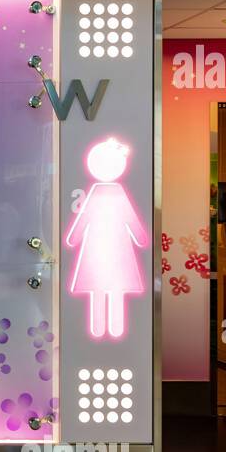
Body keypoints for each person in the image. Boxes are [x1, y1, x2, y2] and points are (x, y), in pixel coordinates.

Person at [64, 137, 148, 339]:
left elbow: (84, 220)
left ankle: (105, 328)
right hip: (110, 249)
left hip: (101, 248)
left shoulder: (103, 193)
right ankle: (105, 328)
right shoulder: (104, 193)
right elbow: (130, 219)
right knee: (106, 288)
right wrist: (141, 237)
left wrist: (74, 238)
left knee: (103, 289)